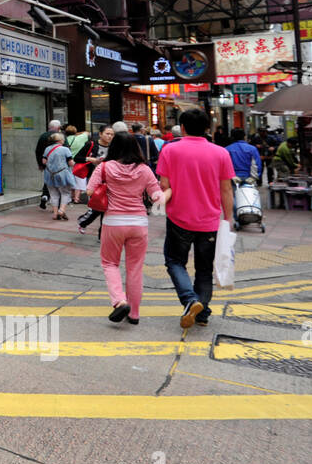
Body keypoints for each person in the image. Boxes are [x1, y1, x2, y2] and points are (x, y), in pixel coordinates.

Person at [156, 107, 235, 329]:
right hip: (209, 220)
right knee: (204, 268)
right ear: (208, 129)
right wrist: (228, 218)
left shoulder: (170, 150)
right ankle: (202, 311)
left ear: (182, 128)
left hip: (178, 218)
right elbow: (226, 190)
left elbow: (164, 185)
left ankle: (190, 300)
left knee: (174, 261)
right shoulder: (221, 153)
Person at [88, 132, 167, 325]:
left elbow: (89, 191)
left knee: (110, 264)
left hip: (113, 222)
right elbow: (157, 196)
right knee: (135, 269)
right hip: (138, 223)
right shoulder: (145, 169)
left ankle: (119, 301)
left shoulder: (105, 167)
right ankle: (134, 314)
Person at [77, 126, 116, 234]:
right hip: (94, 180)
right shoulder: (91, 145)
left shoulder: (113, 147)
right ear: (100, 134)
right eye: (107, 134)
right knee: (97, 206)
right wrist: (90, 159)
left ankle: (101, 234)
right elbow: (77, 157)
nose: (110, 136)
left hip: (109, 180)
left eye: (112, 134)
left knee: (106, 206)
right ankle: (83, 222)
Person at [42, 132, 75, 220]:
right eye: (63, 139)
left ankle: (55, 214)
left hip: (49, 175)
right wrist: (74, 164)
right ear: (60, 140)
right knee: (65, 193)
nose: (64, 140)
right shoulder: (65, 149)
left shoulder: (47, 149)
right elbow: (70, 163)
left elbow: (44, 162)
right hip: (62, 175)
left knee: (53, 194)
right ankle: (61, 210)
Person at [35, 120, 61, 209]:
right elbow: (66, 150)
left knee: (48, 180)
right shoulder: (60, 137)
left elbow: (38, 151)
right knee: (58, 183)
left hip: (45, 163)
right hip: (59, 165)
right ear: (58, 128)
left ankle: (45, 195)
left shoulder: (43, 136)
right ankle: (57, 205)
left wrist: (40, 164)